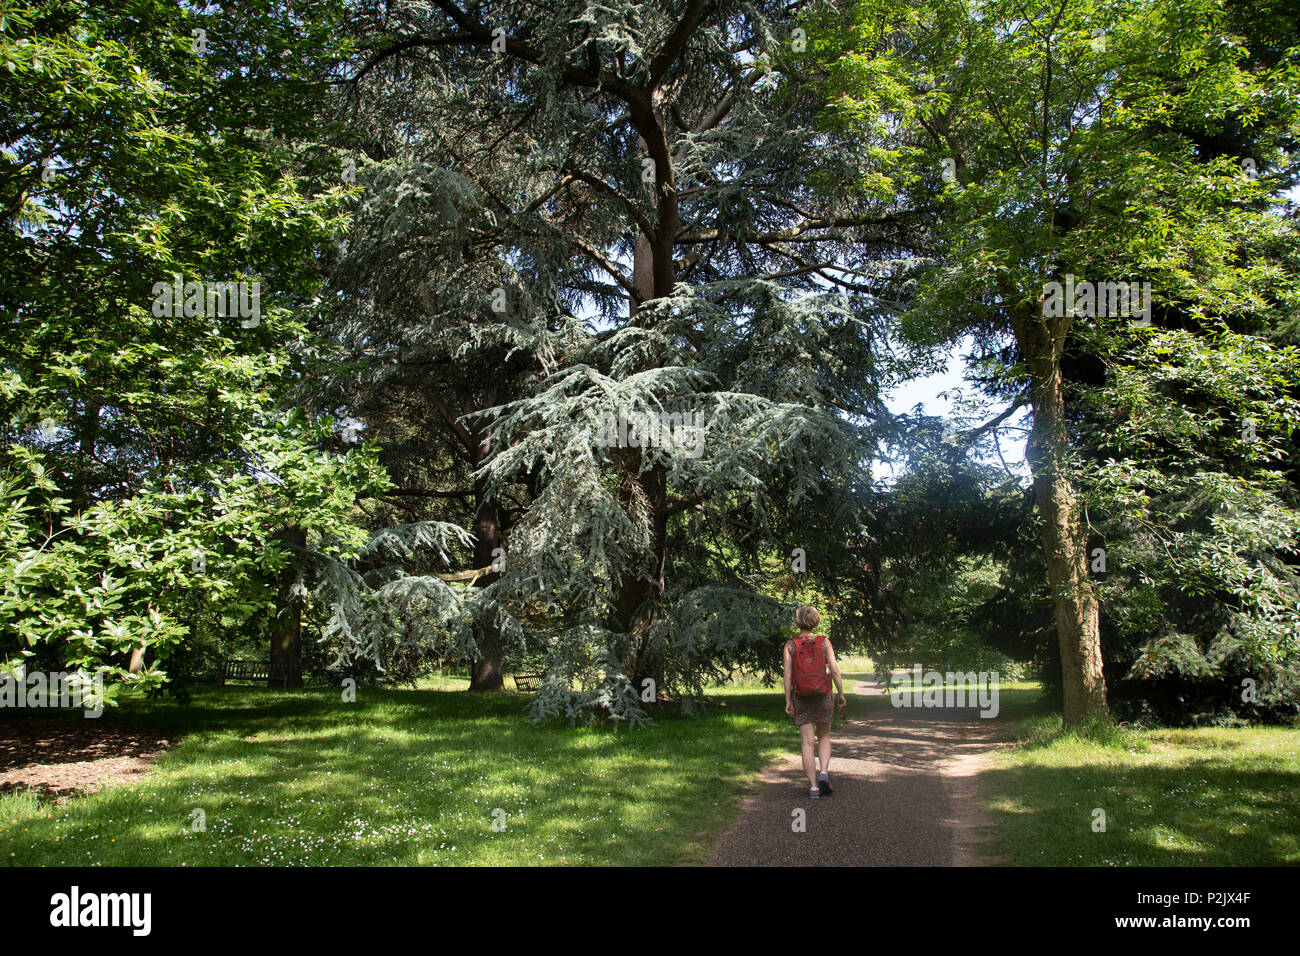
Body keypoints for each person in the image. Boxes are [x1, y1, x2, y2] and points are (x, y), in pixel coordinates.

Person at [784, 605, 846, 798]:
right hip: (824, 694)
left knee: (807, 743)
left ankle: (812, 787)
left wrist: (788, 700)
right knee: (825, 736)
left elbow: (787, 674)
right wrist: (841, 693)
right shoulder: (824, 642)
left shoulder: (790, 645)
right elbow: (834, 670)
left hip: (800, 696)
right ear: (816, 621)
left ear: (798, 621)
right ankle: (824, 774)